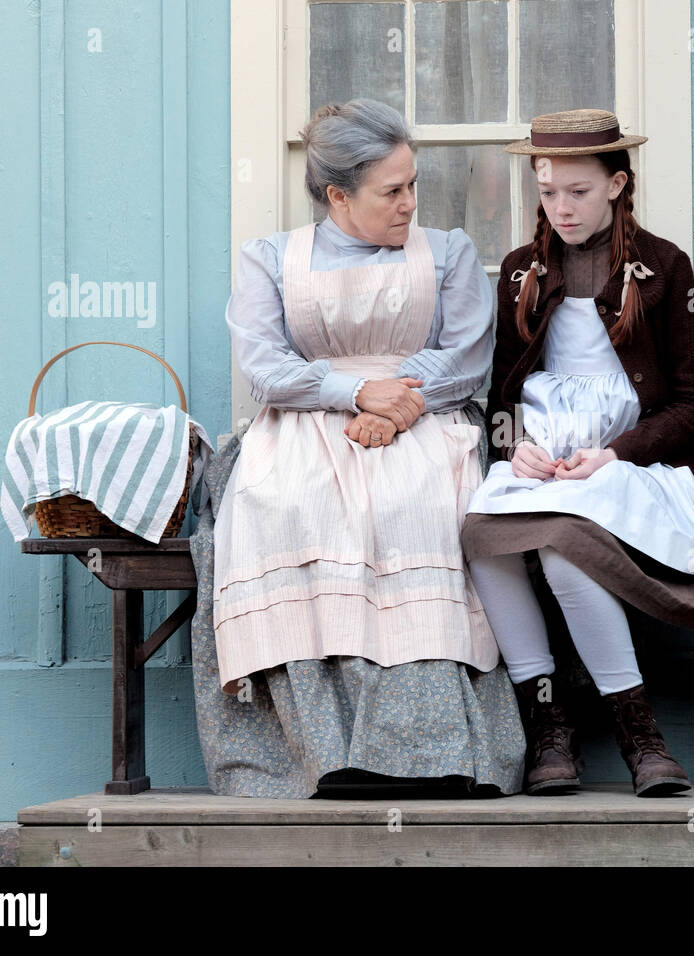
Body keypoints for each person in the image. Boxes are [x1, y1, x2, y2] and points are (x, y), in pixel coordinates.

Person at [194, 98, 525, 798]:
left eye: (413, 185)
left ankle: (436, 757)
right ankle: (320, 756)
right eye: (391, 191)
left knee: (421, 501)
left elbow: (466, 359)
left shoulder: (448, 252)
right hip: (308, 425)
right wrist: (354, 393)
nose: (409, 203)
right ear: (338, 195)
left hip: (427, 421)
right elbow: (266, 368)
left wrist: (396, 407)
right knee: (283, 503)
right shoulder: (270, 261)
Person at [462, 109, 694, 797]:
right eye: (548, 192)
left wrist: (616, 454)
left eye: (578, 190)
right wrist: (518, 453)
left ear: (616, 184)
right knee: (482, 538)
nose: (561, 207)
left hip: (638, 465)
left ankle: (638, 729)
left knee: (560, 547)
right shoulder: (521, 273)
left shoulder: (663, 269)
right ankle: (546, 717)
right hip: (553, 468)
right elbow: (504, 400)